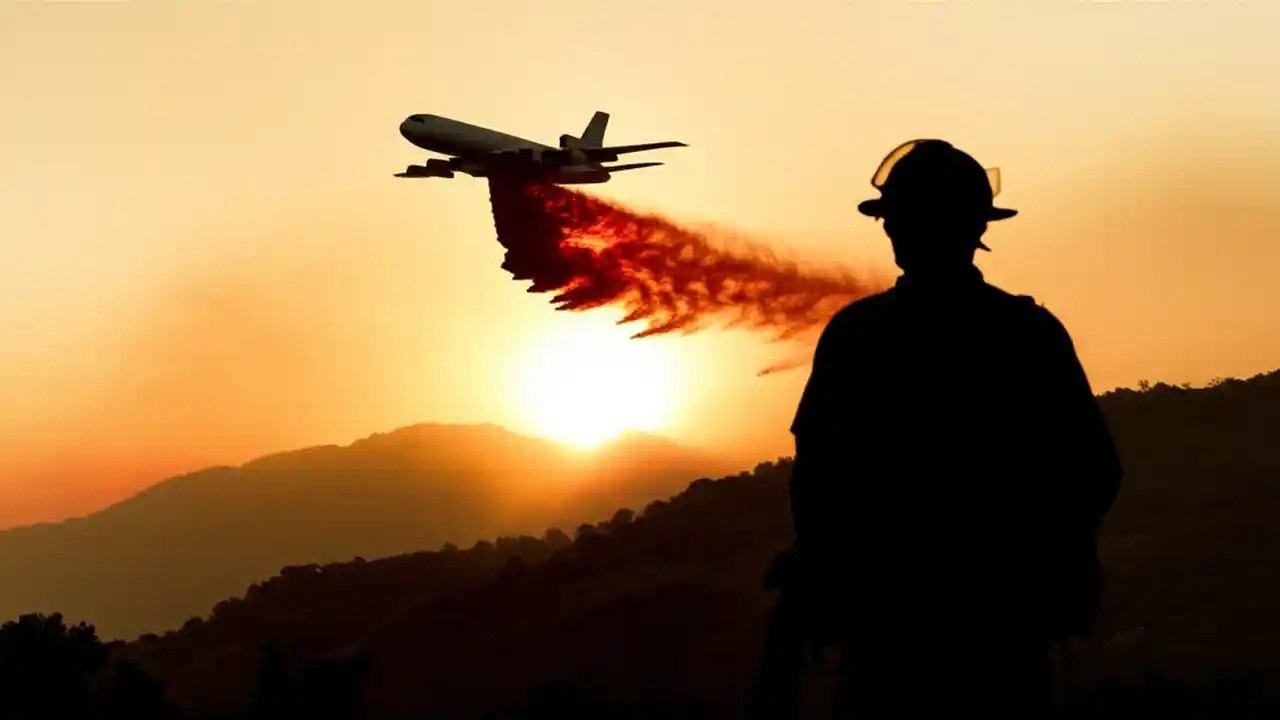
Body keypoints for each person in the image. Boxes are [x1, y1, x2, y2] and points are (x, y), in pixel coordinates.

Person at [753, 139, 1123, 714]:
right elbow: (1093, 473)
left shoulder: (858, 335)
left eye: (897, 217)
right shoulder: (1028, 334)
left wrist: (817, 584)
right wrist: (1042, 574)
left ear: (898, 226)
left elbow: (818, 479)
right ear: (976, 226)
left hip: (888, 638)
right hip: (1003, 642)